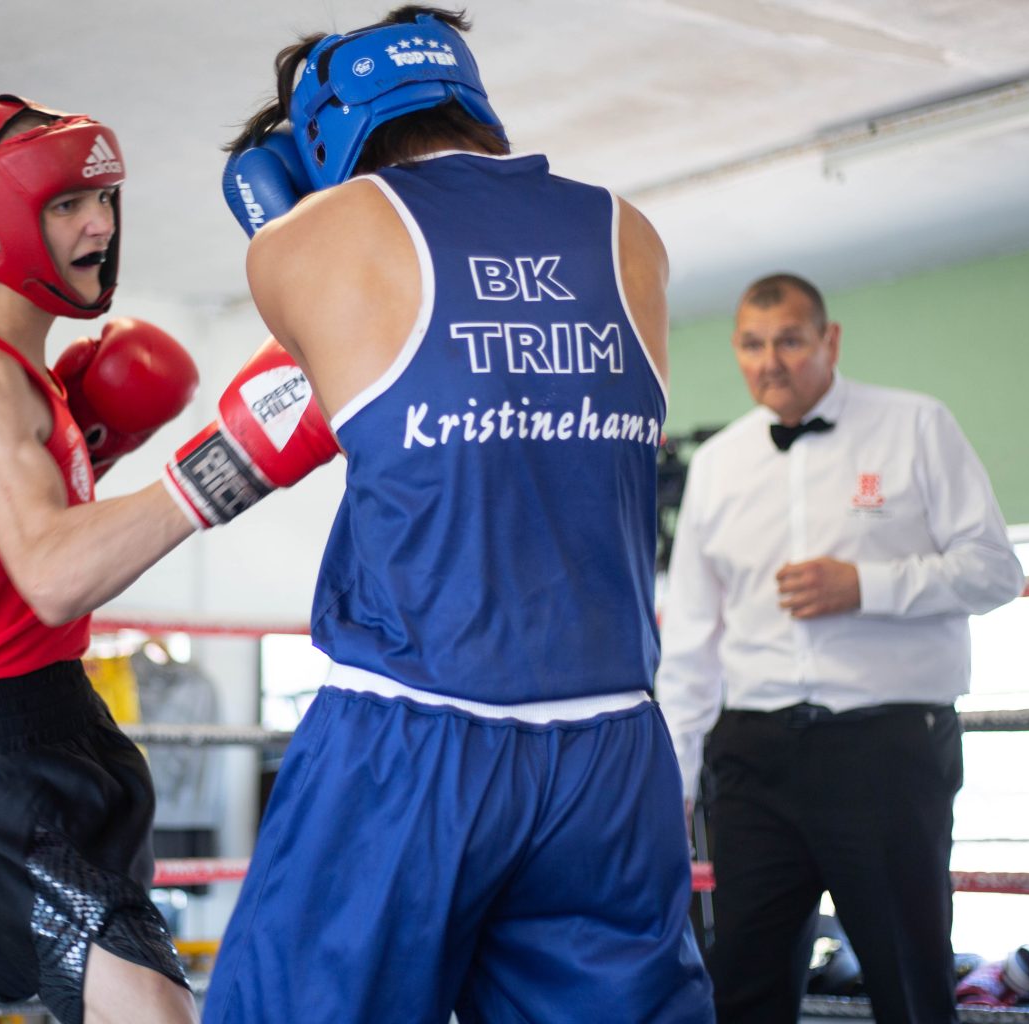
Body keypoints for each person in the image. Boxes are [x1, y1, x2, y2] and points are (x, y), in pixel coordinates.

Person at [186, 8, 714, 1022]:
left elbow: (321, 328)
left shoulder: (314, 238)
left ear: (325, 137)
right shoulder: (630, 235)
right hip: (610, 749)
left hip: (410, 736)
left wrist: (289, 199)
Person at [0, 95, 337, 1024]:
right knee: (154, 1015)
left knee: (138, 1004)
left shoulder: (28, 380)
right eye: (66, 205)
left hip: (67, 717)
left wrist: (95, 443)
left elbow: (7, 548)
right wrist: (229, 463)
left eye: (105, 199)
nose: (101, 225)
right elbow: (52, 576)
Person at [655, 272, 1025, 1023]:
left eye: (790, 341)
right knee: (741, 988)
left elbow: (996, 572)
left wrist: (867, 585)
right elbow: (691, 634)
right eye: (752, 345)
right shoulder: (719, 462)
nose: (770, 362)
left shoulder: (915, 426)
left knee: (909, 987)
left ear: (830, 340)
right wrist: (675, 776)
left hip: (883, 749)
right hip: (752, 758)